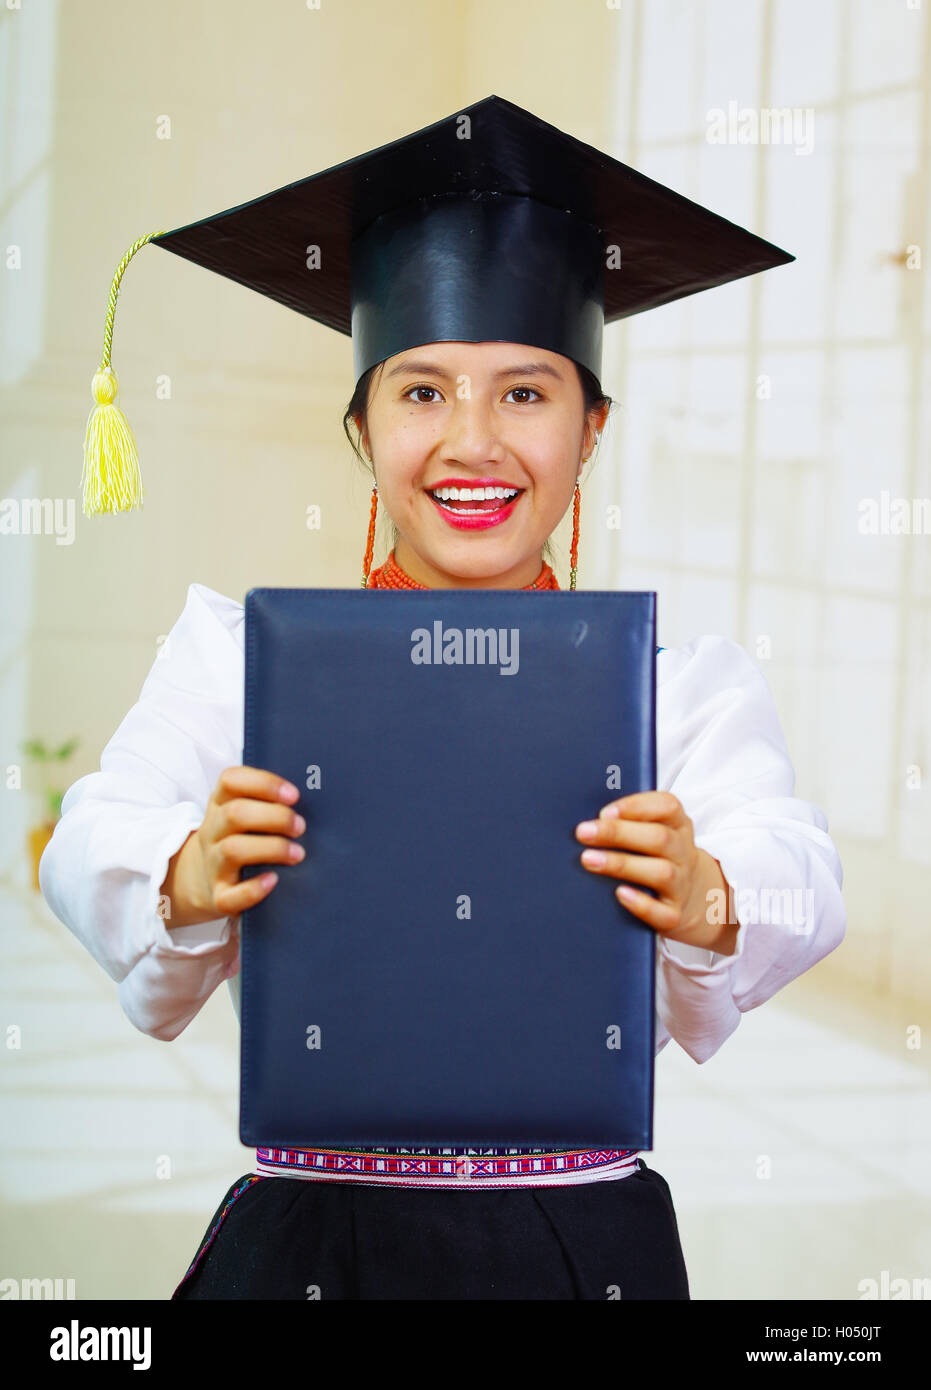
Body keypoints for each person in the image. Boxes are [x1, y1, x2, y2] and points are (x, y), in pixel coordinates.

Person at [39, 96, 846, 1300]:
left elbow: (803, 870)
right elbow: (88, 836)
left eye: (525, 393)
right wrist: (185, 867)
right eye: (419, 393)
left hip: (583, 1243)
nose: (472, 442)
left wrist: (709, 887)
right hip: (319, 1236)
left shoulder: (673, 687)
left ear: (592, 430)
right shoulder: (238, 659)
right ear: (361, 427)